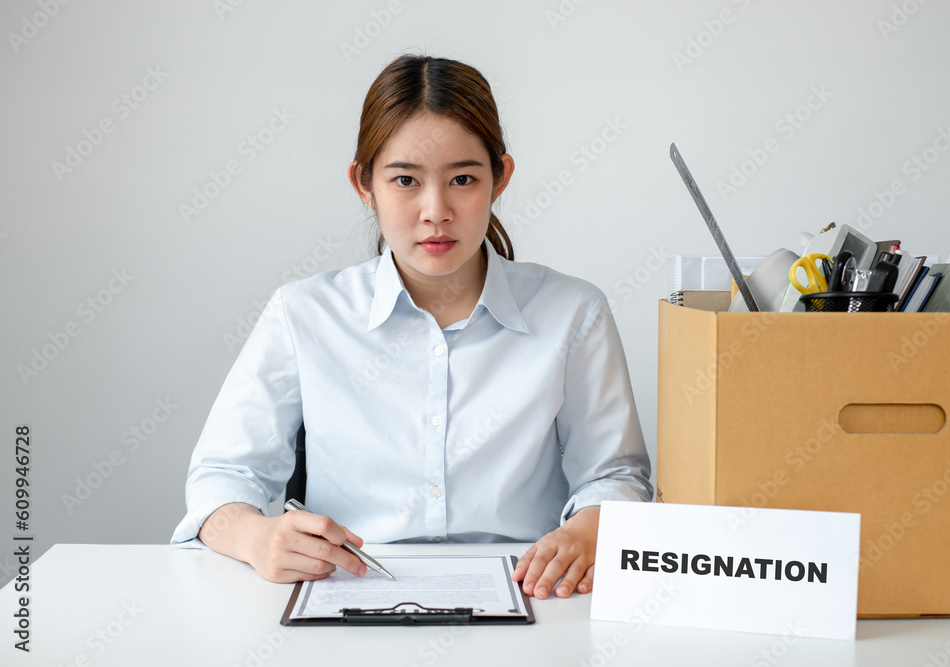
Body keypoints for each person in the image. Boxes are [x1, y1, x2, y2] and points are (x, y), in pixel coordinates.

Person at [171, 54, 651, 600]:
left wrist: (590, 528)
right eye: (405, 180)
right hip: (347, 590)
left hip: (529, 590)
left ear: (500, 178)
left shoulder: (574, 313)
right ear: (364, 184)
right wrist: (256, 537)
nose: (435, 210)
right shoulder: (302, 314)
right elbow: (221, 477)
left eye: (463, 179)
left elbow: (617, 477)